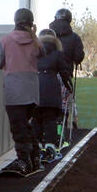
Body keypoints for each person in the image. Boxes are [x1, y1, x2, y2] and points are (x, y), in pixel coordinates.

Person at [0, 8, 44, 176]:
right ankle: (35, 156)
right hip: (32, 91)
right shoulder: (36, 41)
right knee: (26, 125)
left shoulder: (6, 41)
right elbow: (42, 54)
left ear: (15, 21)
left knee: (18, 128)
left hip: (14, 91)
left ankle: (24, 161)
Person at [32, 29, 74, 163]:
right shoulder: (57, 54)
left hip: (34, 88)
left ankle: (36, 149)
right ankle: (50, 149)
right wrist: (69, 87)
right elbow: (64, 72)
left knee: (36, 120)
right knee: (50, 120)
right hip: (50, 88)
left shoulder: (33, 52)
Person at [49, 8, 85, 139]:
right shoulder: (74, 37)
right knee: (63, 108)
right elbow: (78, 57)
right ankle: (60, 134)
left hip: (47, 76)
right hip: (65, 76)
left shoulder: (47, 35)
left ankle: (47, 135)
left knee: (48, 106)